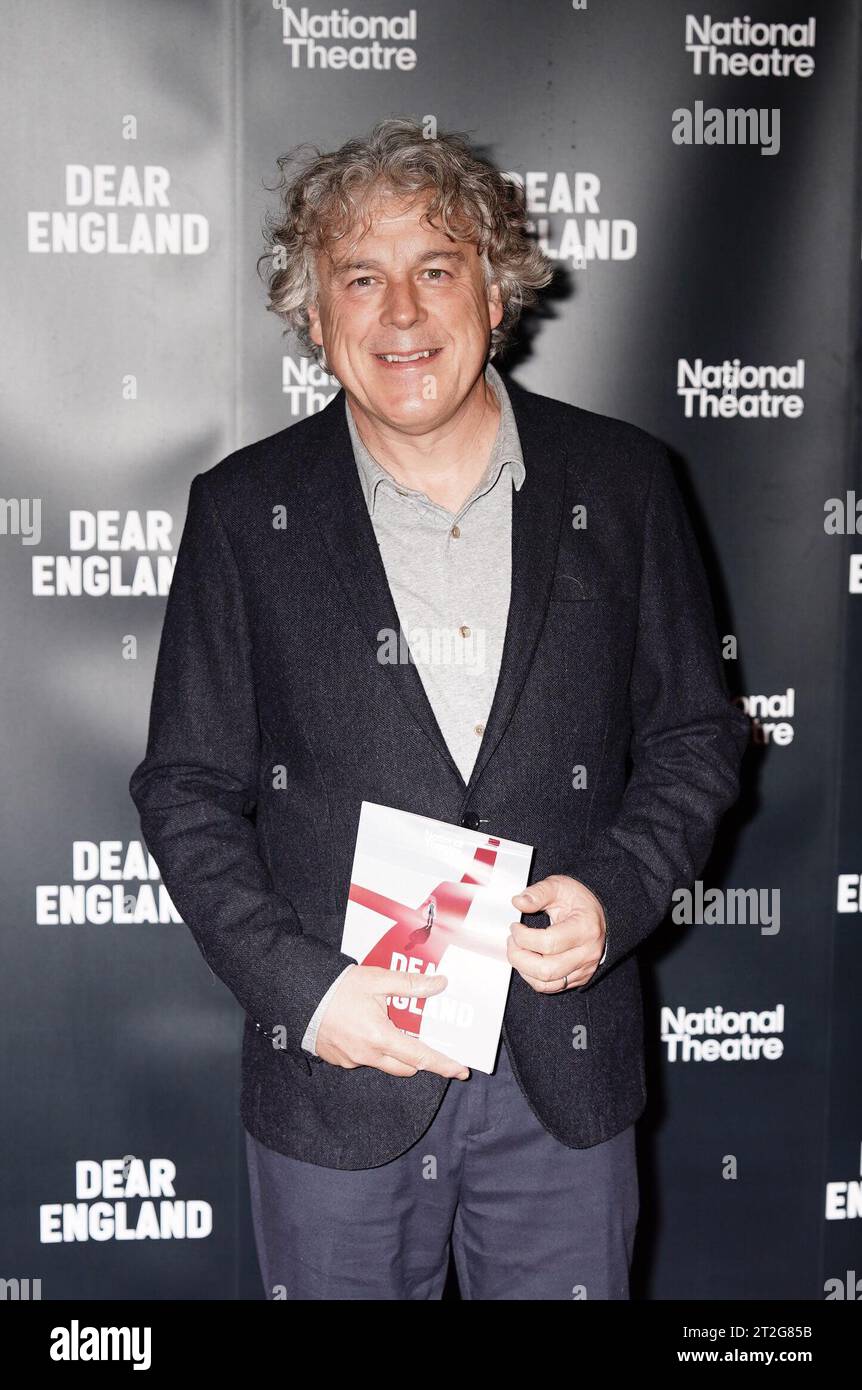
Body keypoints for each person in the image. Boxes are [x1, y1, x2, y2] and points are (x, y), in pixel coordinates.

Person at [129, 116, 749, 1300]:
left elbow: (694, 735)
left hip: (560, 1074)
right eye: (360, 278)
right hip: (338, 1073)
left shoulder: (621, 485)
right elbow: (186, 789)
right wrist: (308, 992)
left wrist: (616, 891)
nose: (400, 315)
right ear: (315, 317)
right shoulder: (242, 511)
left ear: (496, 294)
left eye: (435, 269)